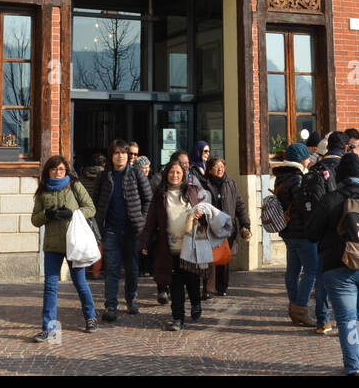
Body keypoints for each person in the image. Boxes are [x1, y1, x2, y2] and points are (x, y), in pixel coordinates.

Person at [307, 152, 359, 375]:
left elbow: (311, 233)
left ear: (340, 175)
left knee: (347, 319)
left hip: (338, 266)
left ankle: (354, 368)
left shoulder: (330, 200)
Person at [29, 155, 98, 340]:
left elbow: (91, 208)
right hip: (52, 245)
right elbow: (35, 220)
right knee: (50, 287)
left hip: (73, 244)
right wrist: (47, 214)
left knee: (80, 283)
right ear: (48, 171)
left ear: (66, 170)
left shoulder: (74, 186)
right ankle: (49, 329)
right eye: (54, 169)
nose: (57, 172)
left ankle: (91, 317)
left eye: (61, 169)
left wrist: (73, 213)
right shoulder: (43, 191)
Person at [139, 159, 213, 330]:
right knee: (175, 284)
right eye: (172, 172)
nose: (174, 175)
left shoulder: (192, 191)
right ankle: (178, 318)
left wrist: (199, 216)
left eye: (178, 172)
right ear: (166, 174)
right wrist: (144, 241)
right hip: (169, 248)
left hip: (190, 247)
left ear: (183, 175)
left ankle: (196, 303)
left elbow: (204, 213)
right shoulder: (160, 195)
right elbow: (150, 221)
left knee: (193, 281)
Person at [93, 140, 153, 322]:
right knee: (111, 269)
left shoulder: (136, 174)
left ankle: (131, 300)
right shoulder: (104, 176)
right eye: (117, 153)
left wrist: (141, 220)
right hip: (110, 229)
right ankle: (111, 306)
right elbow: (95, 202)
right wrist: (98, 225)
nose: (120, 156)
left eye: (123, 153)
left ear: (128, 156)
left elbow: (148, 199)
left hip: (132, 230)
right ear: (111, 156)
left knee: (132, 268)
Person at [304, 131, 347, 332]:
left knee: (322, 275)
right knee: (348, 274)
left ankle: (323, 320)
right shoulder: (348, 165)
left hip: (322, 229)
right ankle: (347, 317)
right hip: (346, 226)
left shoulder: (317, 167)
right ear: (345, 147)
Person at [273, 143, 318, 326]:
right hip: (301, 232)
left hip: (288, 231)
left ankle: (294, 306)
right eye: (307, 157)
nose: (309, 160)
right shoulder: (298, 180)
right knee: (311, 270)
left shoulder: (282, 177)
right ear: (301, 159)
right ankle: (301, 307)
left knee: (292, 270)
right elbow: (303, 207)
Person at [203, 157, 251, 297]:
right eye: (216, 166)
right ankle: (208, 288)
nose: (220, 169)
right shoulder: (204, 184)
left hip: (226, 228)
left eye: (222, 166)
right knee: (209, 259)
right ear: (209, 168)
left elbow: (239, 205)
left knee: (223, 258)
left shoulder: (231, 183)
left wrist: (245, 224)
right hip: (209, 227)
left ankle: (221, 287)